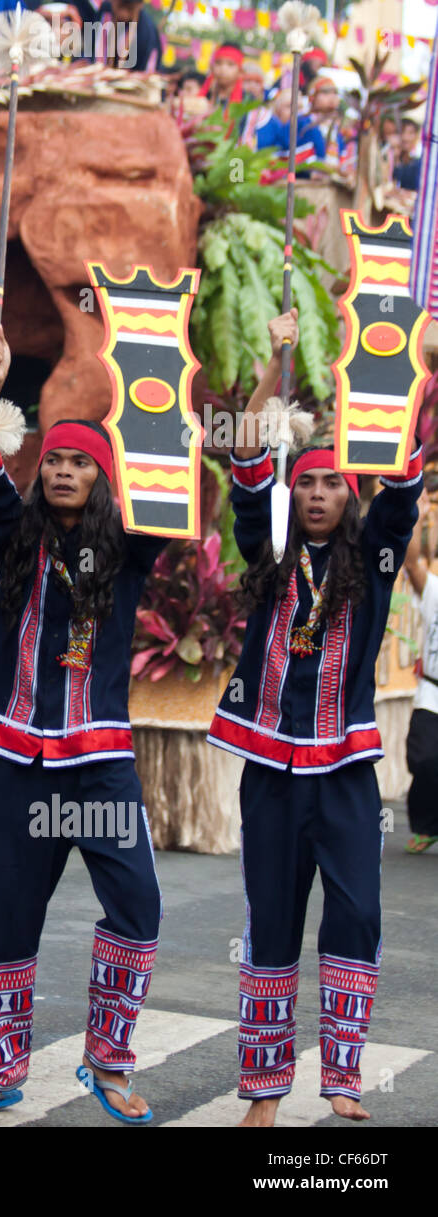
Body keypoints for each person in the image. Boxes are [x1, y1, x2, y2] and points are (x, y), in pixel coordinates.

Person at [0, 326, 167, 1123]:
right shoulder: (13, 534)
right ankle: (0, 1070)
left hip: (99, 765)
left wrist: (166, 388)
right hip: (20, 760)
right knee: (3, 915)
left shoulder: (130, 549)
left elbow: (168, 481)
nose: (65, 471)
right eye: (56, 461)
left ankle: (108, 1062)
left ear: (102, 480)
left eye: (81, 463)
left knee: (139, 908)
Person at [207, 310, 423, 1126]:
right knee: (270, 923)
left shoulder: (372, 557)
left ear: (351, 493)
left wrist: (387, 373)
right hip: (269, 769)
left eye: (334, 482)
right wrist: (274, 359)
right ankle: (263, 1091)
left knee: (358, 913)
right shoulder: (267, 552)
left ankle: (341, 1075)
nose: (320, 493)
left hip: (344, 772)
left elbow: (402, 483)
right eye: (309, 483)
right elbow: (247, 458)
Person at [402, 490, 438, 853]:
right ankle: (426, 824)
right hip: (432, 692)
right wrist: (416, 515)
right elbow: (412, 564)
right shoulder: (435, 593)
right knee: (424, 756)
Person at [254, 87, 326, 177]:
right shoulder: (269, 130)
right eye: (289, 106)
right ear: (277, 110)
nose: (296, 111)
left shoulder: (309, 130)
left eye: (299, 107)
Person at [204, 41, 244, 110]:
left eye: (230, 64)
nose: (223, 69)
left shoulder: (247, 101)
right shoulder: (204, 97)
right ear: (212, 67)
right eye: (218, 63)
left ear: (240, 71)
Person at [393, 117, 421, 192]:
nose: (405, 137)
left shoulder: (419, 163)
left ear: (417, 136)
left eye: (410, 133)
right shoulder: (390, 157)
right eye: (402, 132)